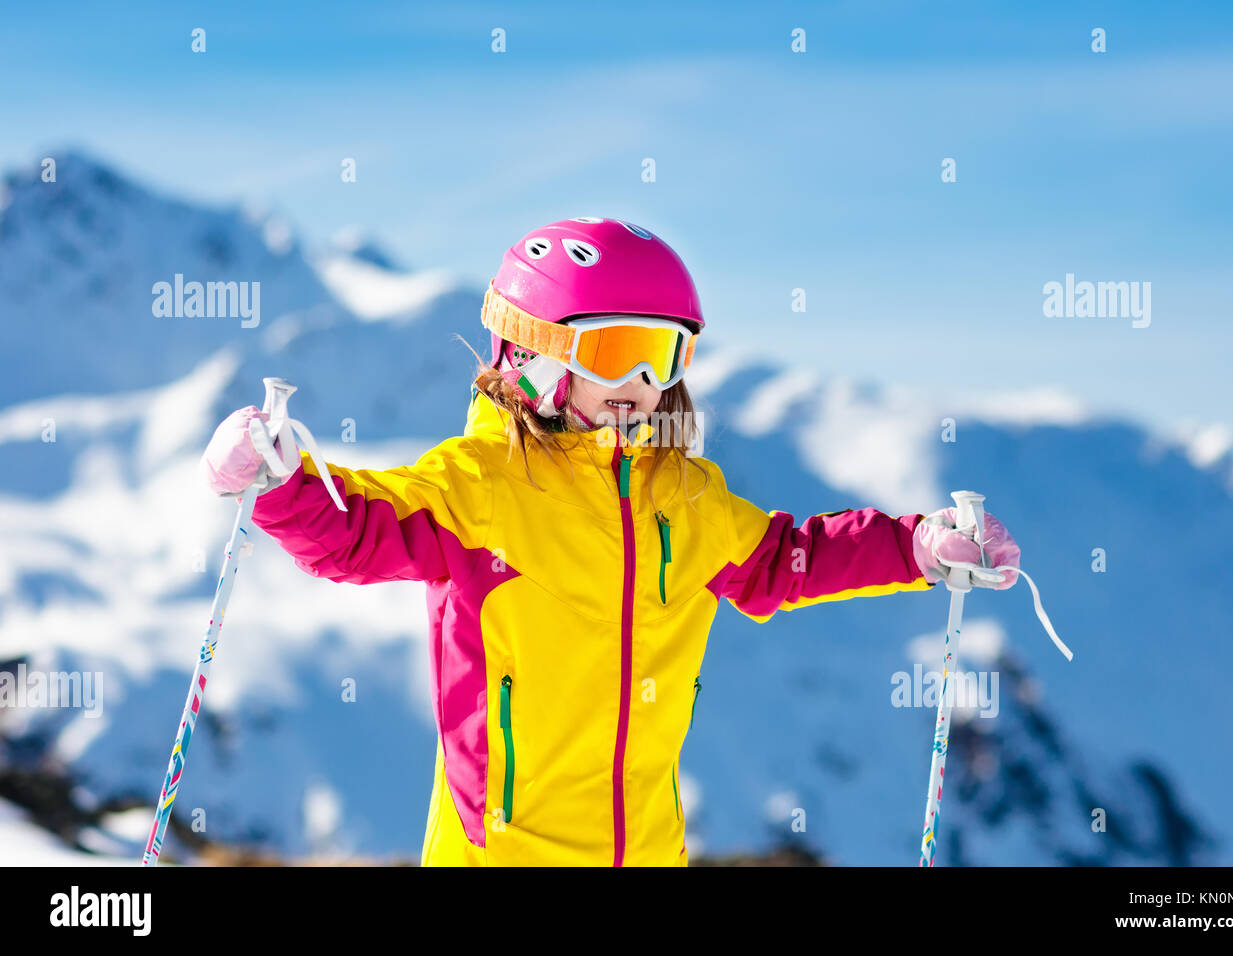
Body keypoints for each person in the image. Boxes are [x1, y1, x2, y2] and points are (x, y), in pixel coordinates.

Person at [201, 217, 1020, 866]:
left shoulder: (685, 497)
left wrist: (917, 547)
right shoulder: (479, 488)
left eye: (663, 355)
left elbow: (782, 560)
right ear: (531, 352)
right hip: (502, 857)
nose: (640, 383)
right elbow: (354, 534)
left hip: (648, 853)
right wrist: (279, 480)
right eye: (616, 350)